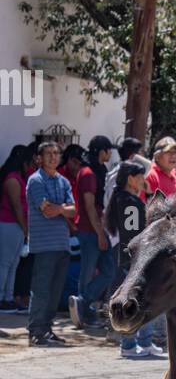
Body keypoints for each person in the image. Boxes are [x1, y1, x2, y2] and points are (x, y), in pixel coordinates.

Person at [106, 161, 164, 359]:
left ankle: (145, 342)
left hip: (136, 259)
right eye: (140, 177)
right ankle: (129, 344)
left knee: (146, 298)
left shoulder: (129, 199)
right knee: (132, 300)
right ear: (131, 179)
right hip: (131, 261)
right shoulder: (128, 202)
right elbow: (132, 234)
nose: (144, 180)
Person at [25, 142, 76, 346]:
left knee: (54, 291)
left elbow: (73, 210)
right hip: (43, 245)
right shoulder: (35, 180)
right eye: (48, 153)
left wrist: (61, 209)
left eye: (56, 153)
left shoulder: (63, 181)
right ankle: (36, 331)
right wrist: (64, 208)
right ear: (39, 158)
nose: (53, 157)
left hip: (62, 244)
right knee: (41, 290)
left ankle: (46, 329)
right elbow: (46, 210)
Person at [68, 134, 114, 329]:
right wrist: (100, 233)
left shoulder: (98, 170)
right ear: (101, 151)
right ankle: (84, 311)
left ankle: (82, 302)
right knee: (87, 273)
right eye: (108, 150)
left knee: (109, 270)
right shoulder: (88, 173)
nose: (110, 154)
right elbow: (89, 206)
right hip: (90, 231)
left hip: (97, 230)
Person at [0, 144, 31, 311]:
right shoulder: (12, 178)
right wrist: (24, 228)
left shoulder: (17, 177)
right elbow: (16, 206)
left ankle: (8, 297)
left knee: (14, 263)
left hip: (16, 226)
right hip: (9, 224)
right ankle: (1, 297)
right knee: (5, 263)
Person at [144, 136, 176, 200]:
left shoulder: (172, 173)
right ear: (157, 157)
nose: (173, 155)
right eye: (168, 152)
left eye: (175, 152)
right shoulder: (151, 175)